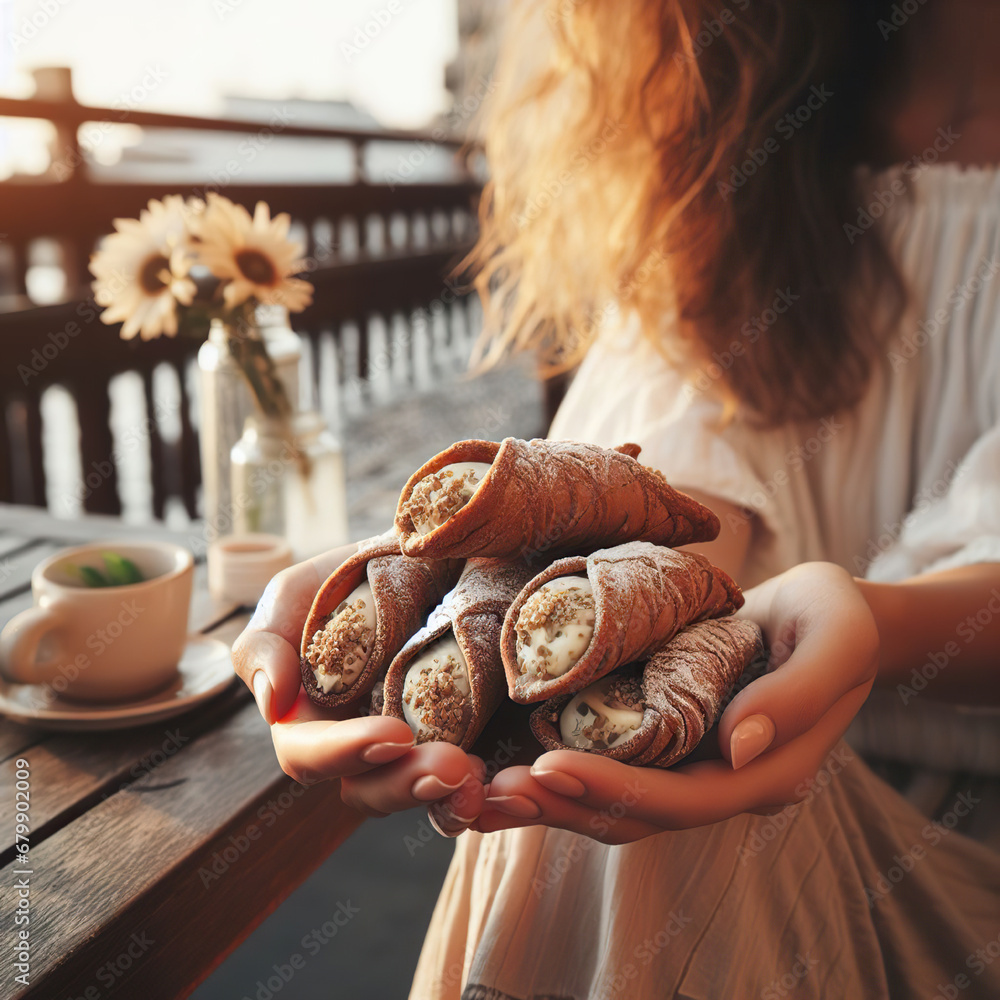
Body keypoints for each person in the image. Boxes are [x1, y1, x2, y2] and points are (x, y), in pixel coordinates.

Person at [233, 1, 1000, 996]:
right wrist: (470, 569)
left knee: (640, 785)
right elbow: (683, 511)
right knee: (612, 766)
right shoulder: (737, 132)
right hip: (805, 801)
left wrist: (873, 625)